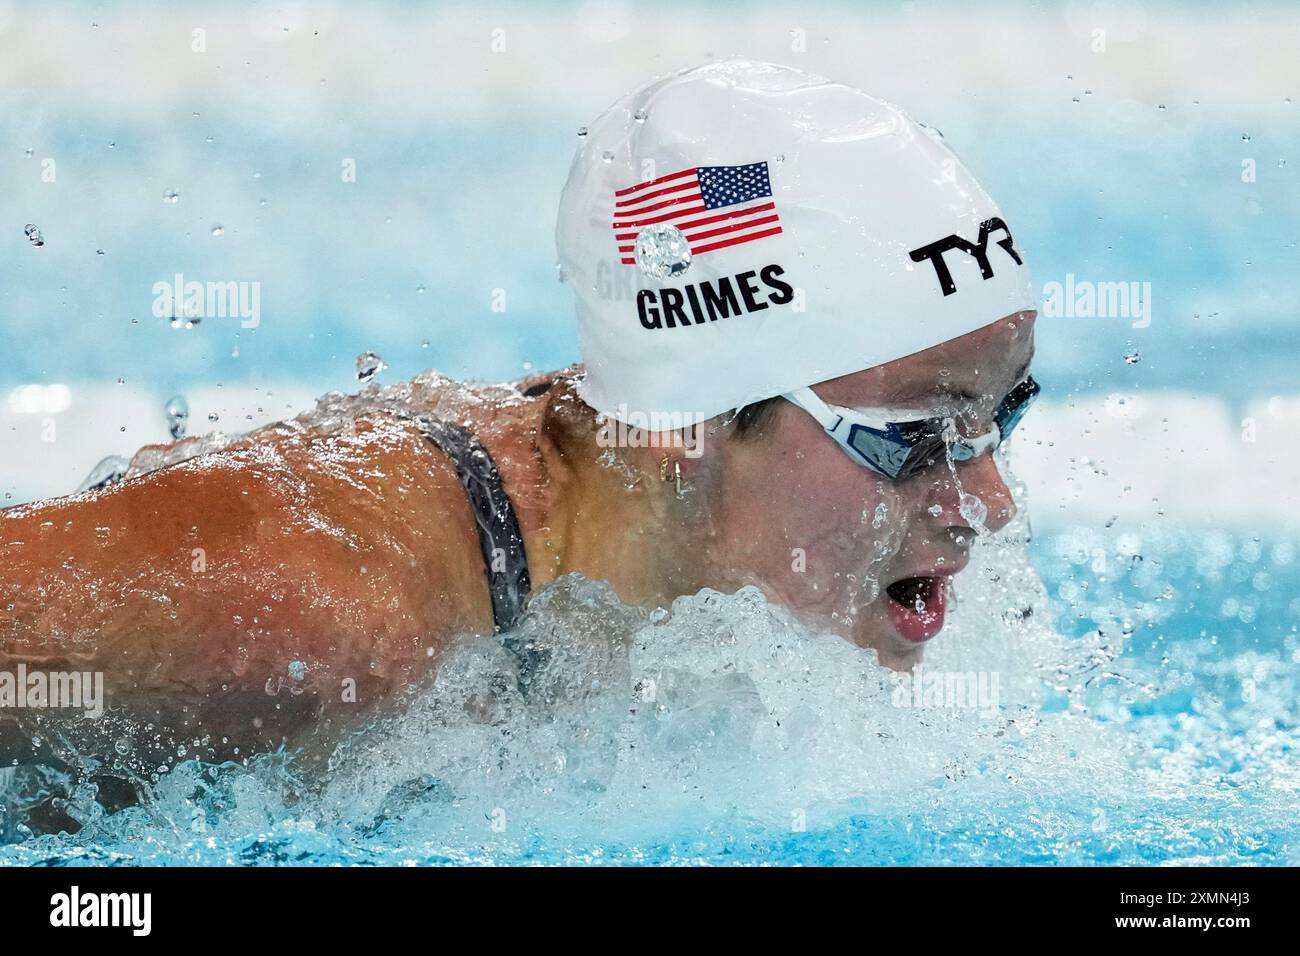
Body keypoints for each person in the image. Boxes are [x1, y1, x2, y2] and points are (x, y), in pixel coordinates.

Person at [0, 60, 1037, 768]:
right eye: (915, 439)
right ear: (683, 421)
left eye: (1003, 416)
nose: (987, 502)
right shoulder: (315, 625)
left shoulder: (669, 568)